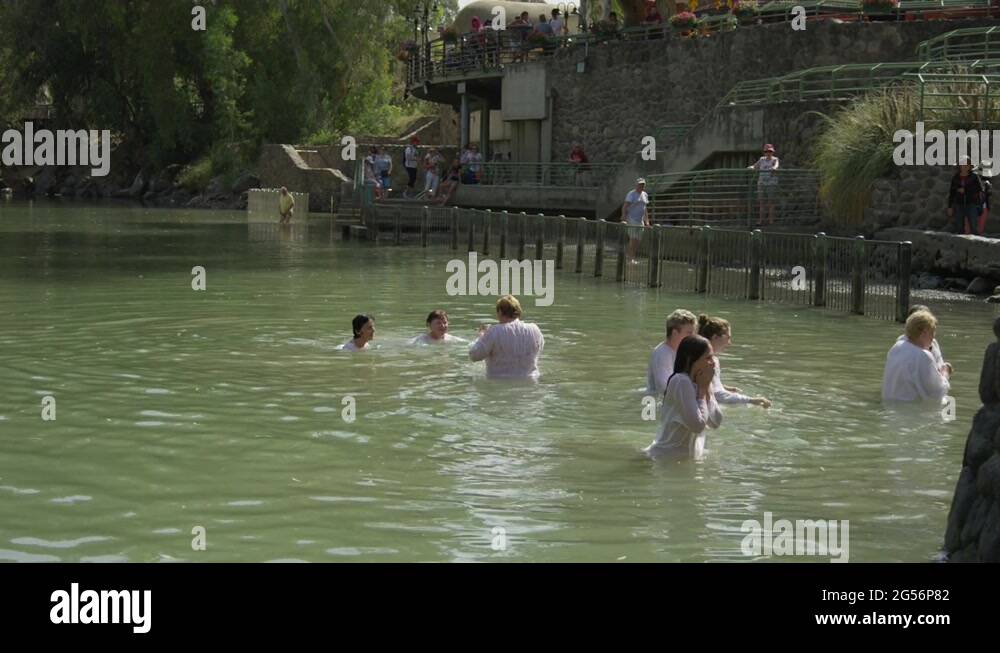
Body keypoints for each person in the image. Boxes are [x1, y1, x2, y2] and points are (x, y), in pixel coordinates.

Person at [644, 335, 723, 460]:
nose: (713, 362)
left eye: (712, 357)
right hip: (664, 457)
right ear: (691, 359)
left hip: (684, 460)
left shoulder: (702, 381)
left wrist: (707, 388)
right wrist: (702, 390)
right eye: (708, 358)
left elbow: (716, 422)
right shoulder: (681, 381)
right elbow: (697, 426)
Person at [696, 314, 771, 408]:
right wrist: (751, 400)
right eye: (728, 338)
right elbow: (715, 395)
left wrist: (725, 388)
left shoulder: (713, 359)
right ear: (715, 337)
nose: (729, 343)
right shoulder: (706, 362)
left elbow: (710, 387)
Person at [882, 310, 951, 403]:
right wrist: (945, 373)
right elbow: (938, 392)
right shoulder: (923, 356)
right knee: (948, 405)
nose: (933, 338)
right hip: (911, 412)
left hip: (889, 406)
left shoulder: (897, 347)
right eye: (933, 333)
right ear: (924, 333)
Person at [469, 295, 544, 379]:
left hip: (500, 384)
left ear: (500, 312)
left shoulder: (494, 331)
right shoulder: (535, 329)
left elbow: (474, 355)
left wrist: (481, 336)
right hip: (530, 382)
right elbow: (539, 349)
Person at [646, 309, 697, 397]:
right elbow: (664, 388)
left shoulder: (681, 351)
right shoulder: (662, 354)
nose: (693, 337)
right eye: (689, 333)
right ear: (675, 333)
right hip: (659, 402)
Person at [895, 305, 951, 377]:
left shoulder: (933, 343)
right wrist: (946, 372)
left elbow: (939, 366)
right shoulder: (901, 343)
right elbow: (939, 385)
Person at [948, 155, 984, 235]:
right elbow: (952, 193)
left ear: (969, 166)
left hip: (972, 204)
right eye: (962, 164)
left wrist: (966, 191)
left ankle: (975, 245)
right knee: (959, 227)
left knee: (973, 227)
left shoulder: (974, 177)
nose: (964, 166)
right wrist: (950, 207)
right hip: (959, 204)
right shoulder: (955, 178)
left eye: (966, 164)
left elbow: (980, 190)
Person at [621, 177, 651, 264]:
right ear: (636, 185)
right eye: (640, 184)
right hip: (632, 218)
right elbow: (625, 206)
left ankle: (631, 256)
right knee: (633, 239)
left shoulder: (645, 194)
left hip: (640, 220)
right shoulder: (631, 194)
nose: (642, 186)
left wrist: (647, 221)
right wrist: (623, 216)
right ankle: (630, 258)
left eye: (643, 184)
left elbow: (645, 209)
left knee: (638, 240)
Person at [749, 144, 779, 225]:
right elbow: (755, 166)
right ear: (764, 152)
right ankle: (761, 220)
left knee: (771, 202)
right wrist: (751, 167)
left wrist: (774, 168)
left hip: (771, 183)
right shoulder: (761, 159)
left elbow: (776, 166)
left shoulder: (775, 159)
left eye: (770, 151)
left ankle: (771, 221)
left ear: (772, 152)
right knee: (761, 202)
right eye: (766, 151)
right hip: (761, 183)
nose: (768, 153)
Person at [978, 159, 993, 236]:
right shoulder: (975, 180)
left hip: (983, 207)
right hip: (974, 206)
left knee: (980, 227)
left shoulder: (987, 183)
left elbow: (988, 195)